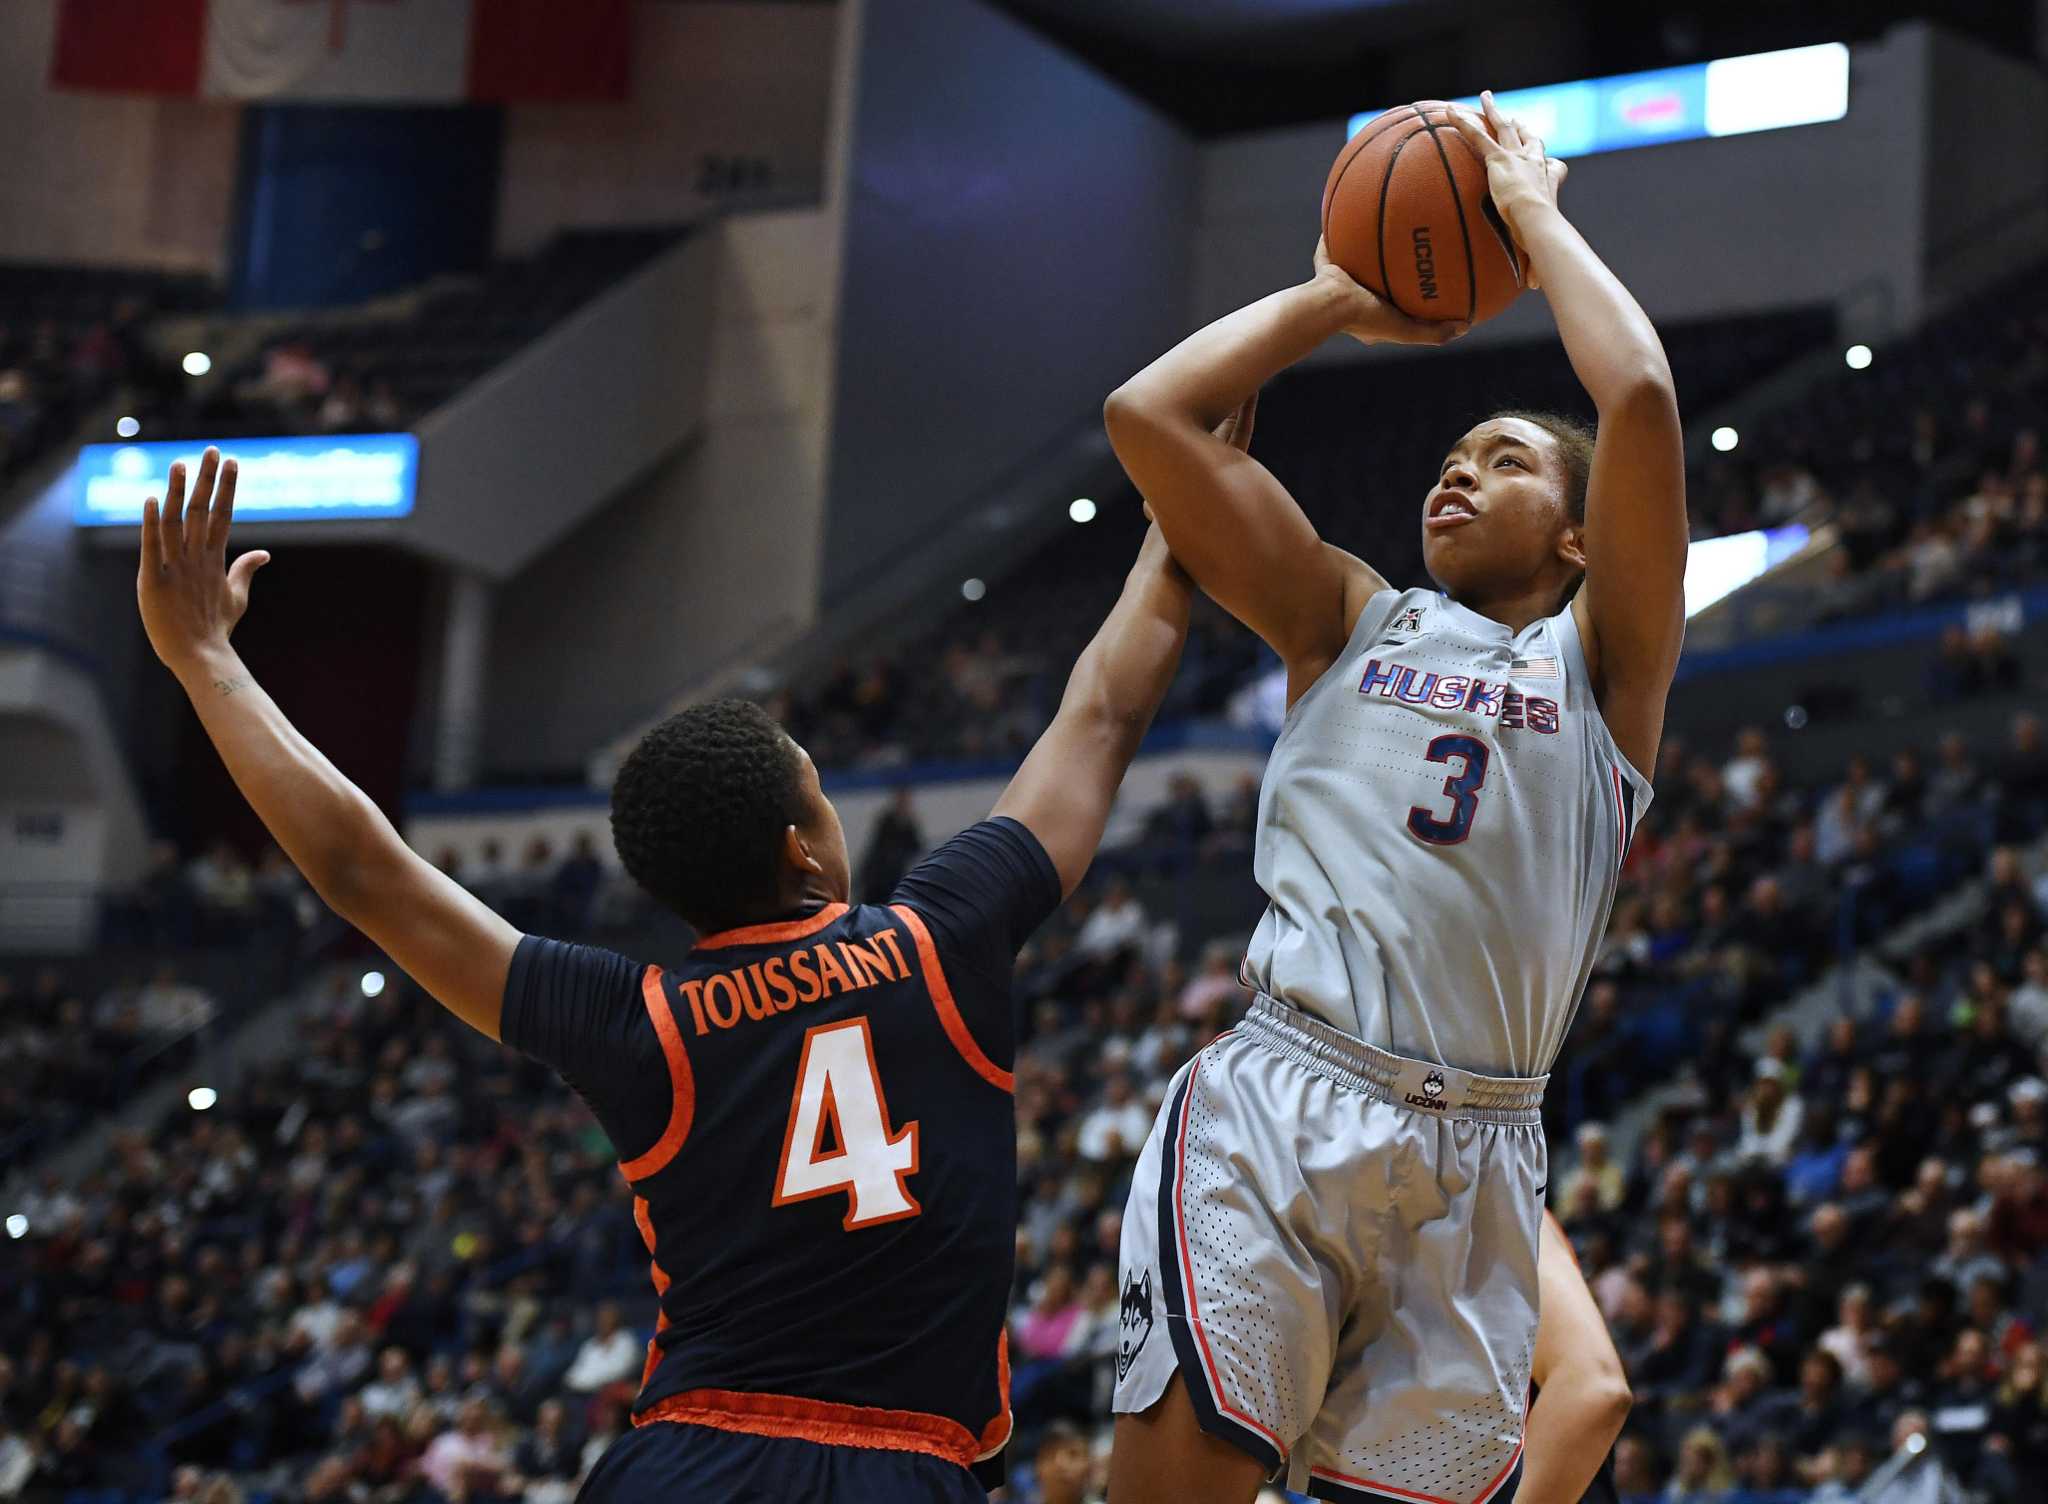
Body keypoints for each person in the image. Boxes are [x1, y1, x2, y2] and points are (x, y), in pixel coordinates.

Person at [136, 445, 1202, 1501]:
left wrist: (205, 661)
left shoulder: (633, 1018)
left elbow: (362, 869)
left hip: (688, 1456)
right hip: (901, 1462)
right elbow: (1101, 713)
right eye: (821, 796)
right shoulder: (939, 936)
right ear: (801, 846)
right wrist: (1178, 526)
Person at [1102, 94, 1683, 1503]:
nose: (1457, 474)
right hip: (1288, 1102)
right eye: (1446, 459)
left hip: (1483, 1155)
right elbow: (1151, 415)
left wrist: (1532, 217)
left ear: (1575, 534)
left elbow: (1644, 400)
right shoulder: (1349, 618)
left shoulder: (1607, 667)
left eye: (1505, 460)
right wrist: (1333, 297)